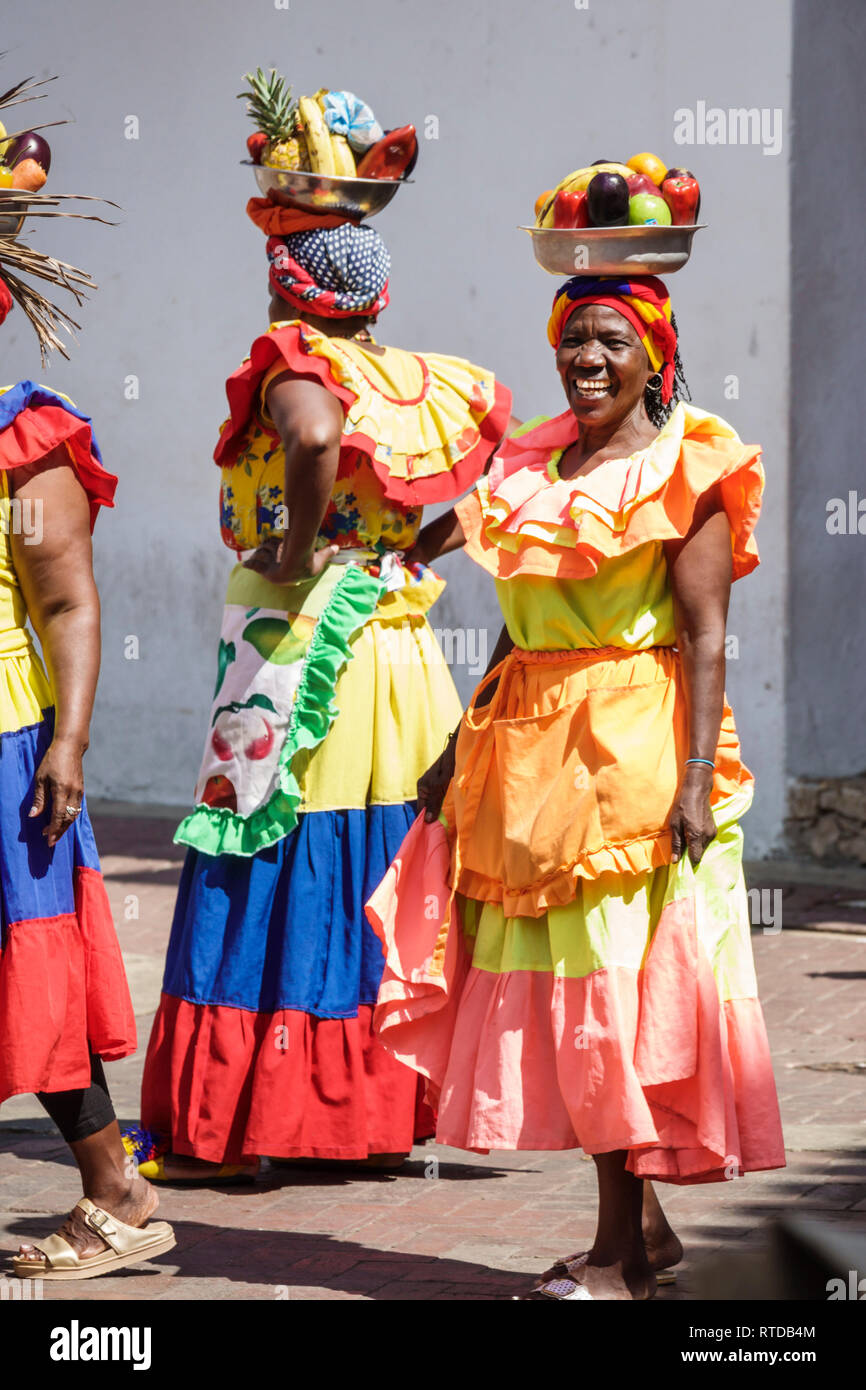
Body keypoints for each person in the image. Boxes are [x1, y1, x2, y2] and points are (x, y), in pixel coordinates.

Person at [368, 274, 785, 1300]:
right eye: (572, 340)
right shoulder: (532, 468)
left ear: (655, 357)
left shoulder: (687, 464)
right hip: (527, 756)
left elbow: (704, 637)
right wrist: (455, 747)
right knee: (576, 1000)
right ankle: (645, 1239)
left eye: (611, 341)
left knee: (608, 1002)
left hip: (630, 761)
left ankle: (616, 1260)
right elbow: (523, 623)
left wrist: (695, 783)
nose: (587, 359)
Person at [132, 214, 512, 1178]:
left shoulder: (297, 364)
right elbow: (508, 474)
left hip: (305, 649)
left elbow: (312, 434)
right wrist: (411, 548)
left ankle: (240, 1124)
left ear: (290, 290)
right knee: (382, 853)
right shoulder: (420, 382)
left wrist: (299, 552)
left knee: (266, 837)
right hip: (395, 644)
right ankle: (371, 1114)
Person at [0, 70, 174, 1279]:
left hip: (8, 742)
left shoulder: (25, 440)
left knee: (35, 972)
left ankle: (116, 1189)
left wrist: (67, 742)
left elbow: (67, 601)